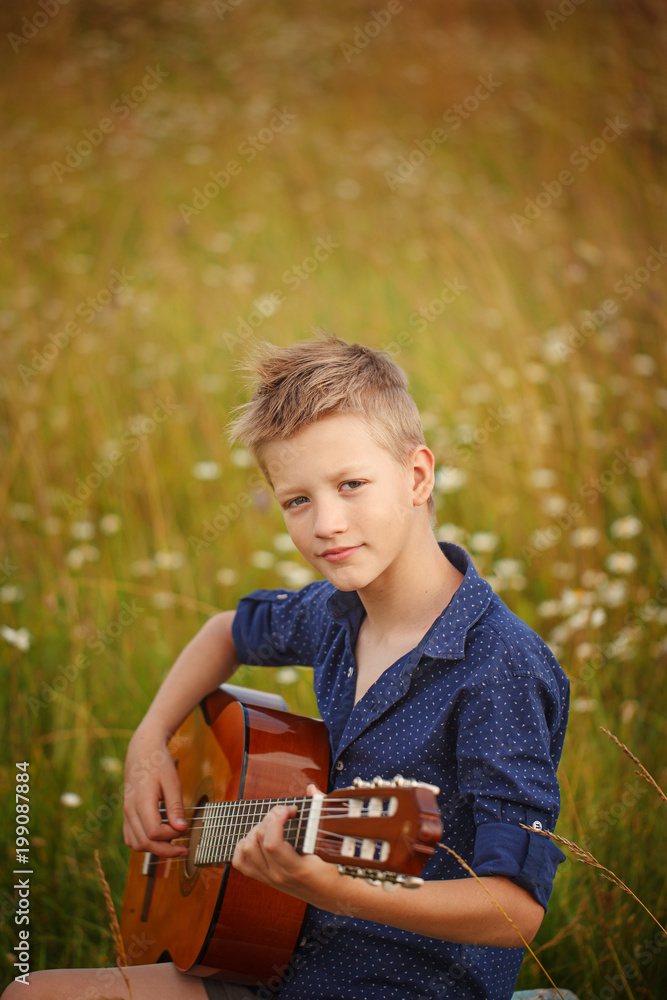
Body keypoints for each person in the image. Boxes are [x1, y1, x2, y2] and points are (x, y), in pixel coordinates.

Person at [2, 334, 569, 1000]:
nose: (326, 523)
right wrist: (149, 740)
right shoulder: (333, 613)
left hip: (402, 985)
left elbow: (514, 911)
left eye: (351, 485)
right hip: (271, 950)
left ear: (417, 477)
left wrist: (338, 891)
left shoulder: (498, 667)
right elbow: (225, 631)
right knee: (28, 993)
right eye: (297, 500)